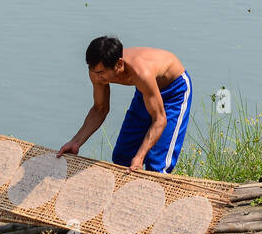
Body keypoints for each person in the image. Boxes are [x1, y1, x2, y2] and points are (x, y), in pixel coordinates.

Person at [57, 35, 192, 173]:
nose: (96, 77)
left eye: (100, 73)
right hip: (145, 91)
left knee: (157, 165)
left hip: (174, 92)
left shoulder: (141, 73)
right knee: (122, 157)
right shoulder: (96, 72)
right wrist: (75, 142)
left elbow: (159, 120)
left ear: (119, 64)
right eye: (92, 71)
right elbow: (100, 109)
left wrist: (139, 157)